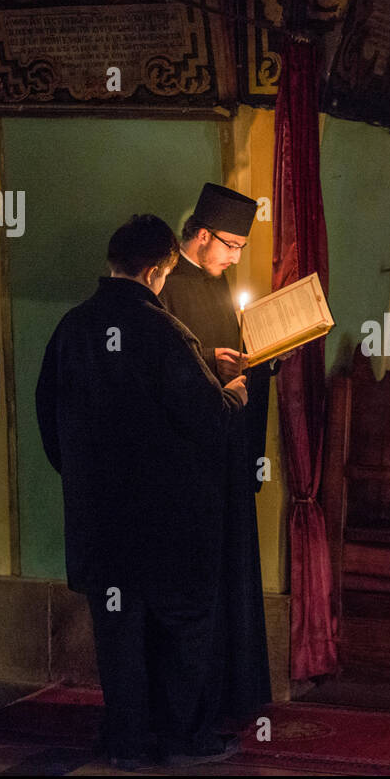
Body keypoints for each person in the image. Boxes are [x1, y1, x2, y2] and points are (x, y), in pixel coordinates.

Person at [35, 215, 248, 768]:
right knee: (182, 632)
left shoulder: (71, 328)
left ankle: (127, 743)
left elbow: (48, 421)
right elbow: (207, 420)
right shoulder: (164, 331)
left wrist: (84, 481)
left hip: (100, 523)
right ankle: (183, 739)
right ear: (157, 270)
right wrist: (232, 391)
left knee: (118, 635)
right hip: (168, 525)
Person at [157, 183, 272, 729]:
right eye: (230, 245)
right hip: (190, 466)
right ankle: (196, 706)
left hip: (227, 451)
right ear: (201, 236)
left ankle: (234, 692)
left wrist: (263, 358)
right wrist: (211, 363)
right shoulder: (164, 286)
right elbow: (165, 369)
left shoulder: (217, 284)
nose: (234, 257)